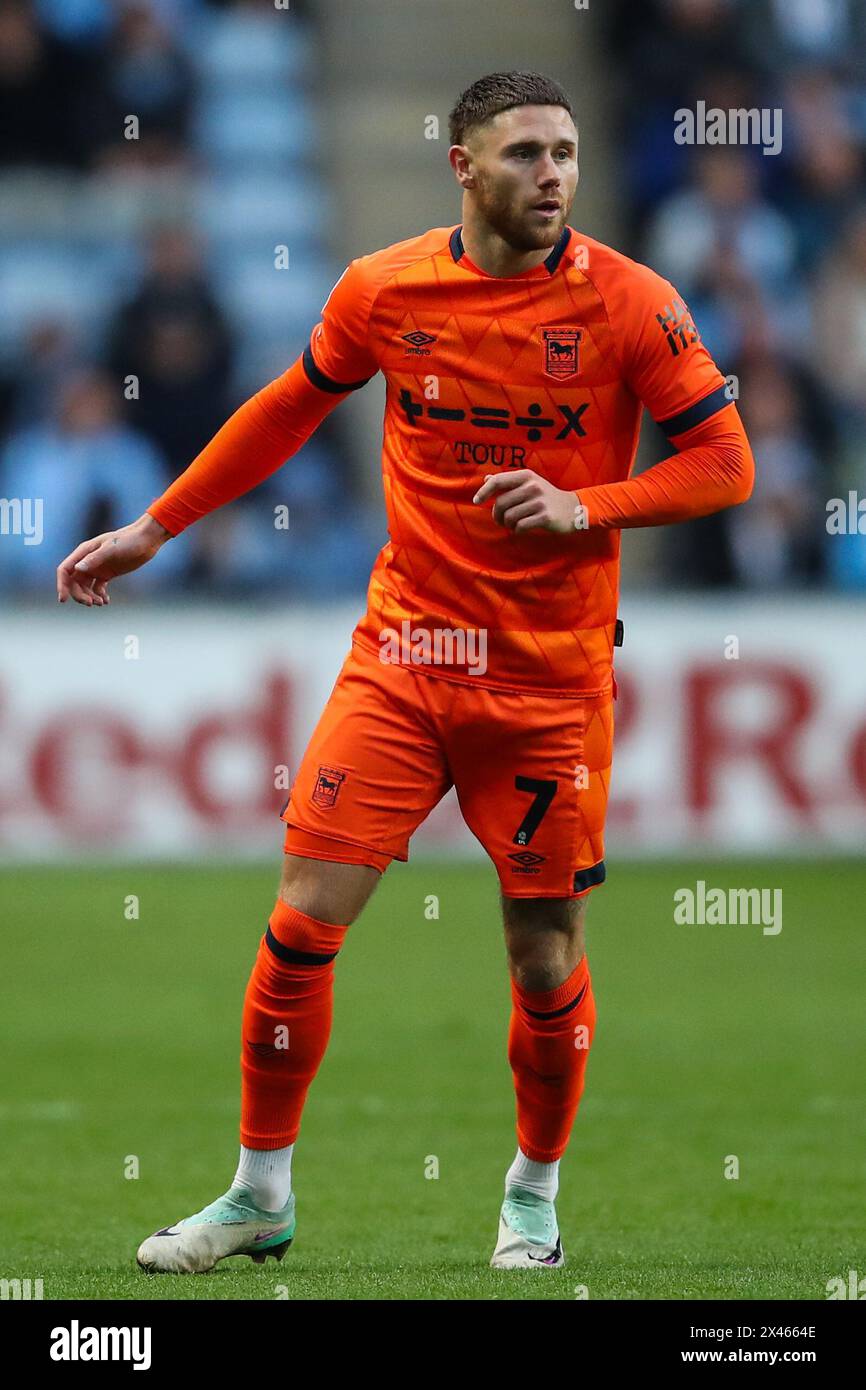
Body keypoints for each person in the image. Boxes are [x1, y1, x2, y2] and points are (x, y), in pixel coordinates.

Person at [56, 70, 754, 1273]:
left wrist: (583, 503)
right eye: (526, 153)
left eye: (567, 153)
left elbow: (724, 464)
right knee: (296, 927)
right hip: (404, 658)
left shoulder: (630, 303)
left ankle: (531, 1192)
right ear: (462, 166)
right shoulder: (383, 290)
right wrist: (156, 528)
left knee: (543, 959)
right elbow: (285, 408)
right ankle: (257, 1194)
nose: (552, 176)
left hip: (547, 685)